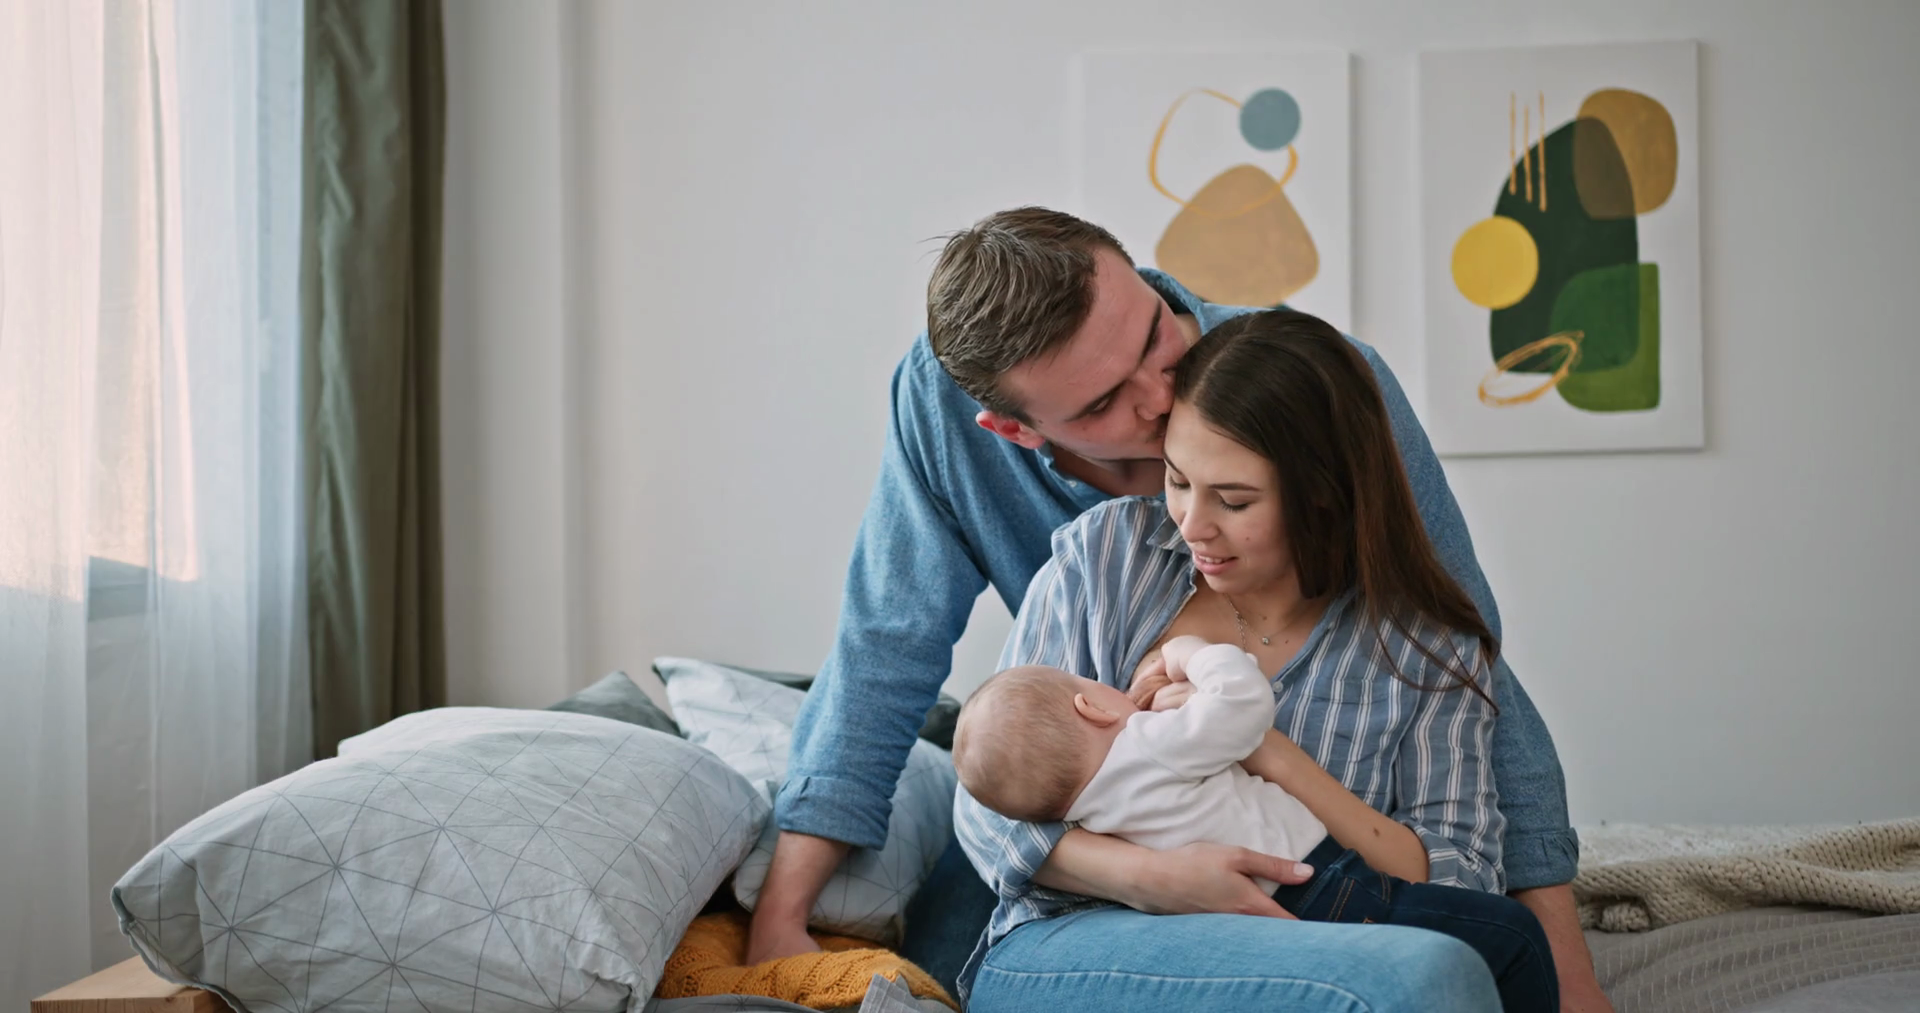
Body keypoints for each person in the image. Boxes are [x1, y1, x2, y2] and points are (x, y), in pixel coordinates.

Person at [755, 207, 1612, 1011]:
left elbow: (1467, 658)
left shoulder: (1322, 394)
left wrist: (1565, 965)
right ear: (1016, 429)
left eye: (1154, 337)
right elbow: (890, 648)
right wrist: (780, 918)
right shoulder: (1098, 553)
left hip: (1319, 912)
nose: (1163, 397)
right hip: (1083, 903)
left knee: (1448, 966)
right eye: (1108, 408)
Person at [948, 312, 1558, 1012]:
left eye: (1234, 500)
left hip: (1309, 944)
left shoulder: (1427, 648)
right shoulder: (1105, 559)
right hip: (1077, 940)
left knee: (1437, 969)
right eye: (1177, 480)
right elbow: (985, 807)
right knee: (1410, 984)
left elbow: (1463, 881)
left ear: (1323, 493)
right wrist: (1155, 878)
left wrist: (1272, 754)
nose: (1192, 524)